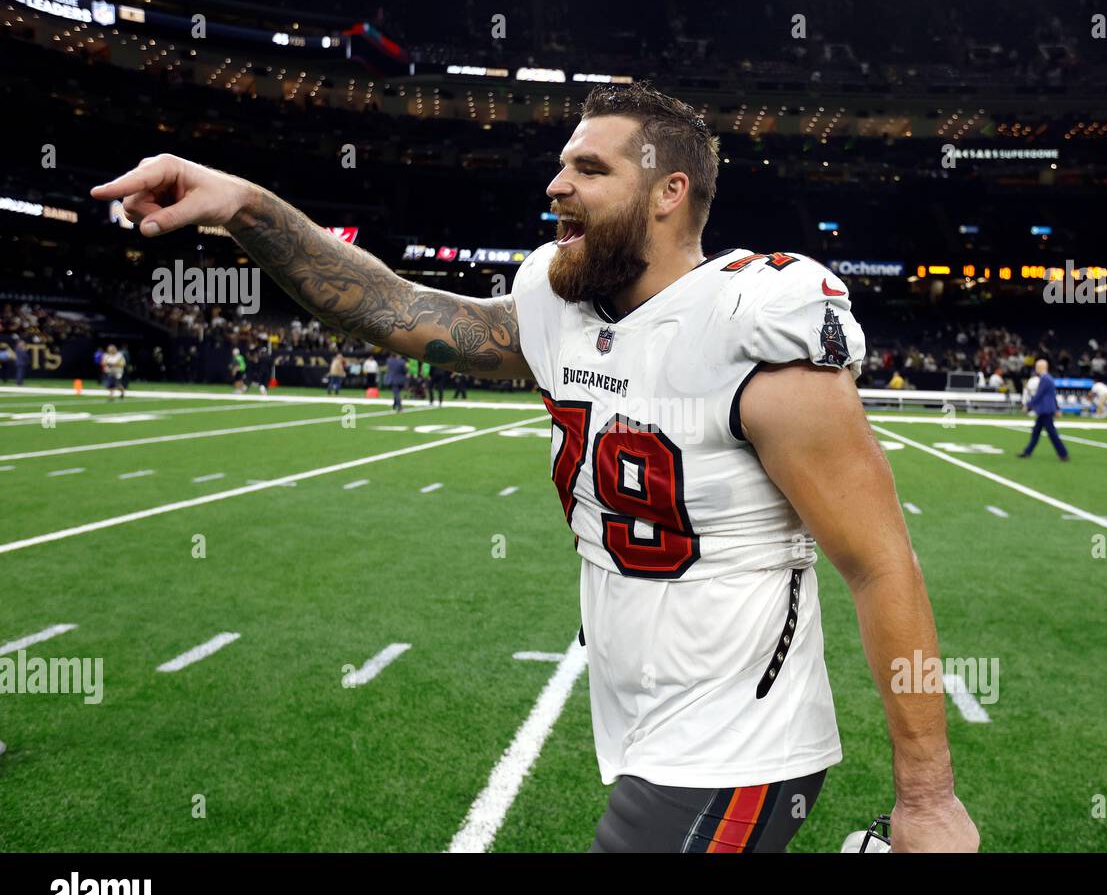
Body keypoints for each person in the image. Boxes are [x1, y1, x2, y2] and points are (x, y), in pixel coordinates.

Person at [92, 80, 978, 854]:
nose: (557, 185)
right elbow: (394, 307)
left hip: (738, 740)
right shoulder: (556, 307)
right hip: (644, 721)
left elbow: (880, 564)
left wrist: (929, 801)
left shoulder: (757, 332)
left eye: (590, 169)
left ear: (671, 192)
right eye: (563, 164)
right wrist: (245, 205)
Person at [1018, 359, 1069, 460]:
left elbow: (1039, 395)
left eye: (1037, 366)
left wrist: (1028, 405)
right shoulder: (1047, 378)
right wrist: (1057, 408)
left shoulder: (1045, 379)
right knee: (1036, 432)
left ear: (1042, 367)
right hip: (1045, 410)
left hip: (1045, 410)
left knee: (1051, 433)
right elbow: (1051, 396)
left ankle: (1063, 454)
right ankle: (1027, 451)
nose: (1036, 368)